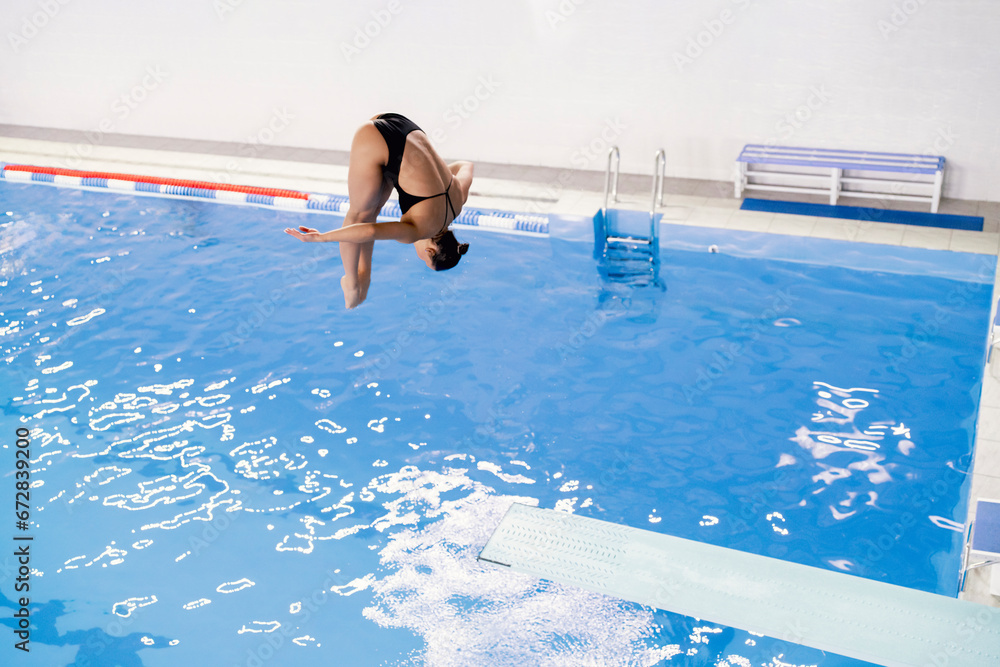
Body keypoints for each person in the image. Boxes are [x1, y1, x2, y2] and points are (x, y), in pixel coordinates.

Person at [285, 113, 474, 309]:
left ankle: (364, 274)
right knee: (359, 214)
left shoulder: (459, 200)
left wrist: (432, 175)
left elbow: (467, 165)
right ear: (429, 251)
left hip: (405, 126)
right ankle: (351, 282)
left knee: (372, 208)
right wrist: (320, 238)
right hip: (374, 138)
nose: (419, 257)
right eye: (424, 260)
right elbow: (368, 230)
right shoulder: (418, 231)